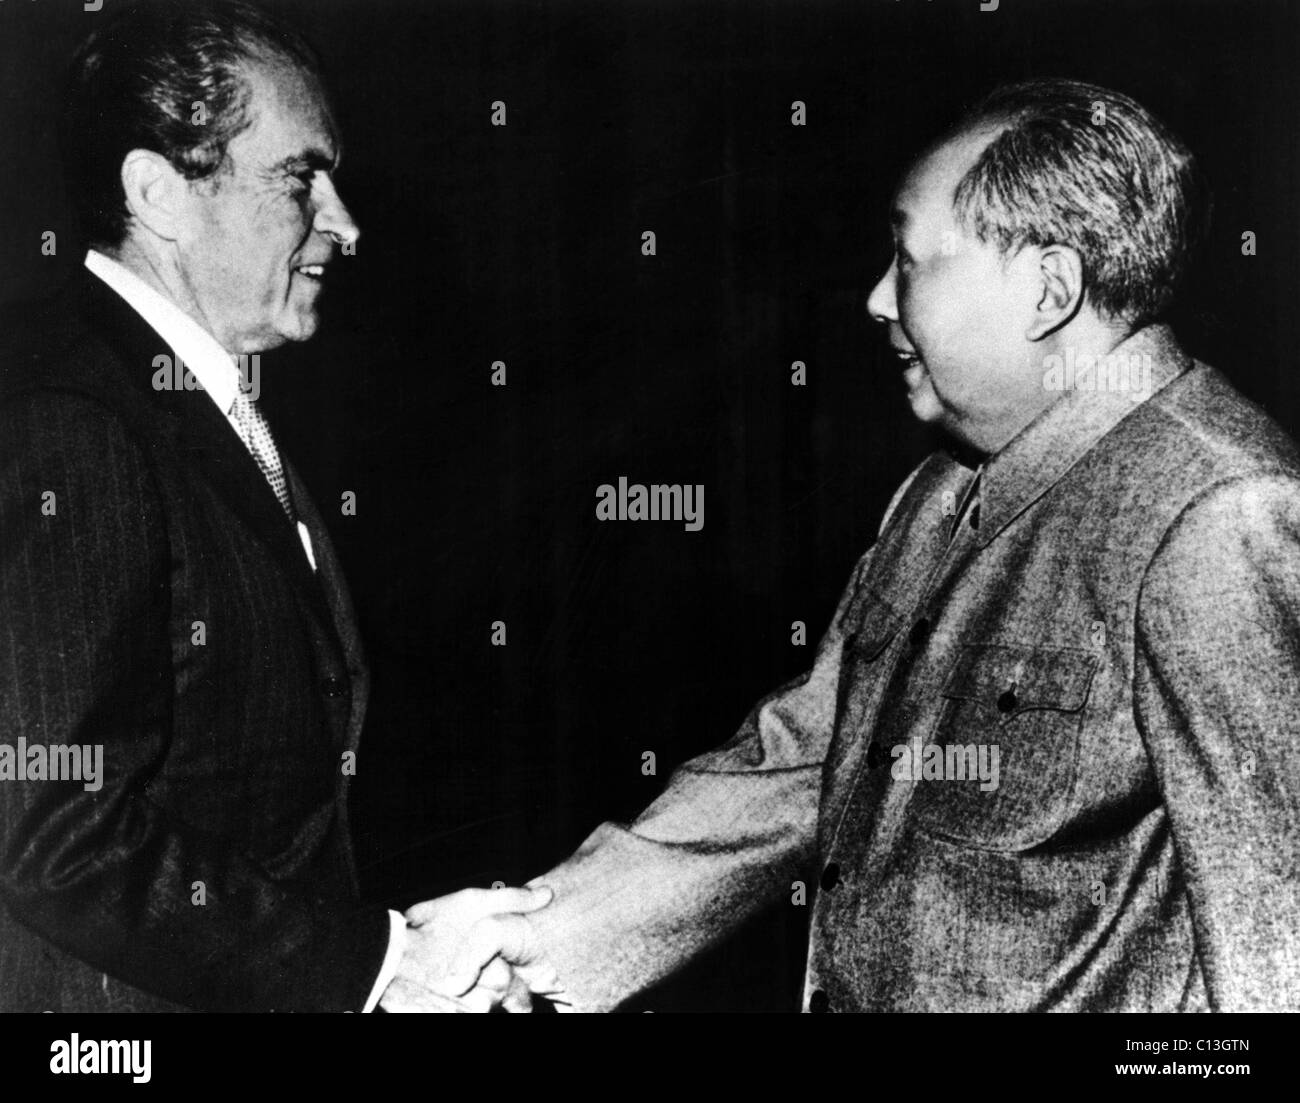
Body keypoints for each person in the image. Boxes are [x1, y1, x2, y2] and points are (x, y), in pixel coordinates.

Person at [493, 78, 1300, 1012]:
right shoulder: (940, 489)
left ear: (1048, 289)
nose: (878, 298)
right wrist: (534, 935)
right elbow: (806, 761)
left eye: (910, 260)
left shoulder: (1222, 512)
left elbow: (1276, 957)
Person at [0, 0, 549, 1013]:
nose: (344, 223)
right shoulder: (73, 421)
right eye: (301, 179)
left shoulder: (185, 404)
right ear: (158, 192)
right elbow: (48, 828)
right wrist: (374, 964)